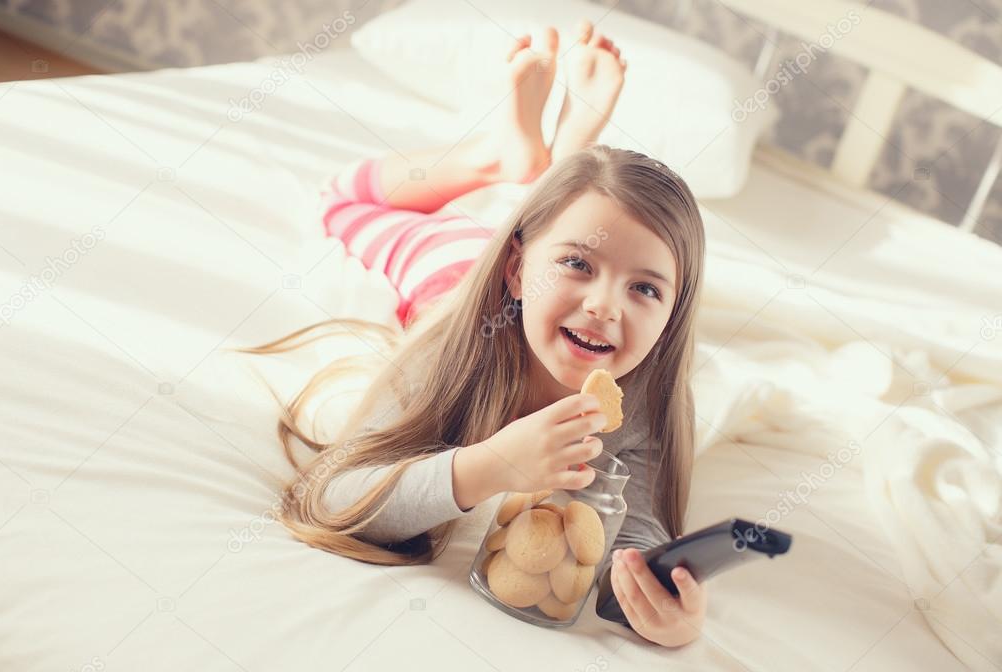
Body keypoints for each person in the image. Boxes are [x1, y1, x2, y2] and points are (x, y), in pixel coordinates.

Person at [238, 20, 708, 647]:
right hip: (449, 271)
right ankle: (498, 158)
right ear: (516, 271)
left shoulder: (640, 396)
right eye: (579, 265)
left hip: (524, 258)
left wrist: (663, 599)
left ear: (672, 314)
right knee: (343, 199)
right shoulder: (447, 353)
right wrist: (489, 466)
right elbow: (332, 498)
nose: (604, 307)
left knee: (580, 226)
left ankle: (561, 167)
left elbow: (635, 527)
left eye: (645, 288)